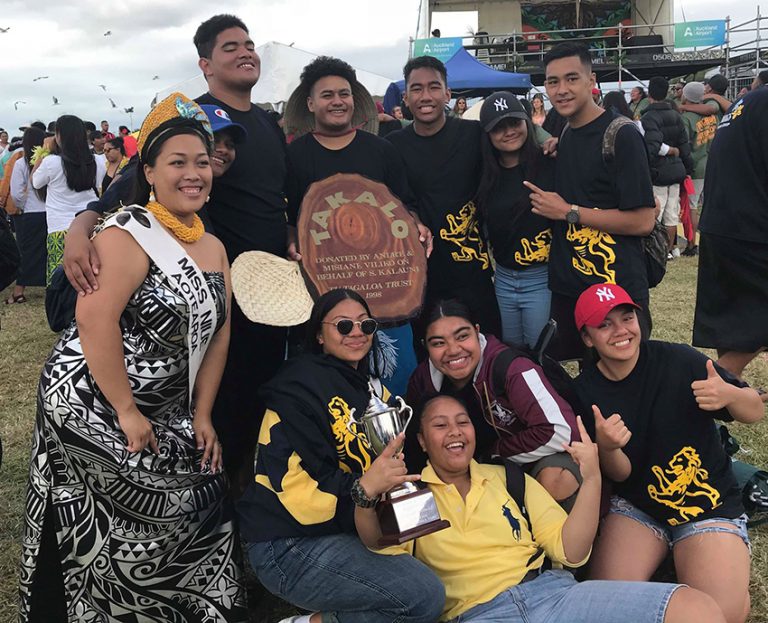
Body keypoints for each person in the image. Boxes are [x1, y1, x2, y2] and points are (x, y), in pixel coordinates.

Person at [19, 92, 247, 622]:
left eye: (201, 162)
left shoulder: (212, 247)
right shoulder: (127, 234)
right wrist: (125, 410)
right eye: (177, 163)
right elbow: (92, 321)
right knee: (116, 522)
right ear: (148, 172)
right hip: (94, 401)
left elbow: (219, 335)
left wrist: (202, 414)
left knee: (201, 487)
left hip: (166, 407)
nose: (193, 174)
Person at [356, 394, 727, 623]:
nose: (454, 431)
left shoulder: (508, 478)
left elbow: (571, 551)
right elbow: (375, 542)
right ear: (422, 440)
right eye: (440, 425)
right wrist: (366, 493)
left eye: (462, 422)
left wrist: (592, 479)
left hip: (555, 596)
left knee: (696, 609)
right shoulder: (413, 493)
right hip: (478, 614)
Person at [237, 288, 445, 623]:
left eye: (366, 325)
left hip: (344, 526)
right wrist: (365, 492)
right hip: (289, 542)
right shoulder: (297, 388)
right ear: (319, 335)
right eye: (344, 326)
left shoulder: (368, 389)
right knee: (423, 596)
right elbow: (300, 489)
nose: (357, 333)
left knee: (433, 565)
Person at [573, 283, 763, 623]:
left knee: (724, 614)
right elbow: (621, 474)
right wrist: (608, 447)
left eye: (627, 318)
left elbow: (754, 411)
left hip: (707, 505)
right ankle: (677, 564)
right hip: (640, 508)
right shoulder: (585, 391)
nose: (621, 331)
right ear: (588, 338)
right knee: (606, 609)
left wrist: (731, 395)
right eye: (604, 325)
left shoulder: (679, 360)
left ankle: (714, 569)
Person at [283, 55, 431, 396]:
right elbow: (287, 217)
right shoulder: (294, 157)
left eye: (344, 94)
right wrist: (290, 240)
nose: (337, 101)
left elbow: (405, 205)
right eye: (327, 95)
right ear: (311, 104)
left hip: (385, 288)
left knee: (396, 387)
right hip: (321, 292)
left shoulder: (382, 151)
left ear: (353, 99)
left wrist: (418, 226)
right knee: (330, 393)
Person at [534, 42, 655, 362]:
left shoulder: (622, 135)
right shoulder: (567, 133)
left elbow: (643, 221)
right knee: (583, 380)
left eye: (572, 78)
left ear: (591, 81)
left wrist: (568, 212)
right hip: (570, 288)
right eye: (553, 81)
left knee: (623, 378)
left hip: (615, 288)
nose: (561, 89)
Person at [407, 299, 582, 507]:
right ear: (425, 346)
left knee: (557, 479)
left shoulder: (512, 368)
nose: (453, 350)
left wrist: (492, 455)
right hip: (462, 466)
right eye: (438, 343)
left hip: (532, 459)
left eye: (462, 336)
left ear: (477, 331)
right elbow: (415, 442)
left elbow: (560, 431)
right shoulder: (423, 380)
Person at [387, 55, 501, 338]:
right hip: (418, 275)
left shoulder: (474, 134)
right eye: (416, 89)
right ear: (406, 98)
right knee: (428, 350)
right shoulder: (391, 147)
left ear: (447, 94)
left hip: (471, 270)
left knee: (483, 343)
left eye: (434, 87)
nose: (426, 96)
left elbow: (519, 139)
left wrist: (550, 142)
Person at [693, 88, 768, 386]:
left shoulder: (745, 103)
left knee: (731, 325)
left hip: (721, 223)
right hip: (752, 229)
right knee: (753, 324)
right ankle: (715, 386)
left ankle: (730, 389)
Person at [476, 92, 555, 347]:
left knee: (539, 353)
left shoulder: (549, 162)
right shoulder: (484, 173)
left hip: (541, 277)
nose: (509, 131)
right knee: (509, 351)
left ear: (527, 123)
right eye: (499, 127)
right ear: (488, 133)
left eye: (515, 122)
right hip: (503, 277)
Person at [31, 114, 106, 284]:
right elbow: (99, 185)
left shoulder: (51, 162)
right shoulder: (96, 161)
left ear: (59, 136)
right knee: (91, 276)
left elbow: (35, 182)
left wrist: (43, 152)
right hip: (90, 225)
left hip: (59, 228)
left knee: (60, 280)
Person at [640, 76, 693, 259]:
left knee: (657, 212)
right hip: (676, 171)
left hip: (658, 173)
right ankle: (670, 250)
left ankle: (657, 251)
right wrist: (688, 168)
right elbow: (685, 145)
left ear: (649, 93)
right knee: (671, 214)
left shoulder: (648, 117)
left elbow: (652, 147)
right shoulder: (676, 115)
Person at [6, 127, 47, 303]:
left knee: (27, 252)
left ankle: (19, 291)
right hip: (50, 212)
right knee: (47, 252)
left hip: (31, 213)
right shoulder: (49, 162)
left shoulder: (21, 163)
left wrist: (23, 205)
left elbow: (16, 193)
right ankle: (51, 286)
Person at [679, 81, 717, 257]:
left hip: (694, 166)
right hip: (710, 162)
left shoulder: (686, 118)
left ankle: (691, 243)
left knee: (691, 206)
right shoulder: (712, 117)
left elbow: (684, 145)